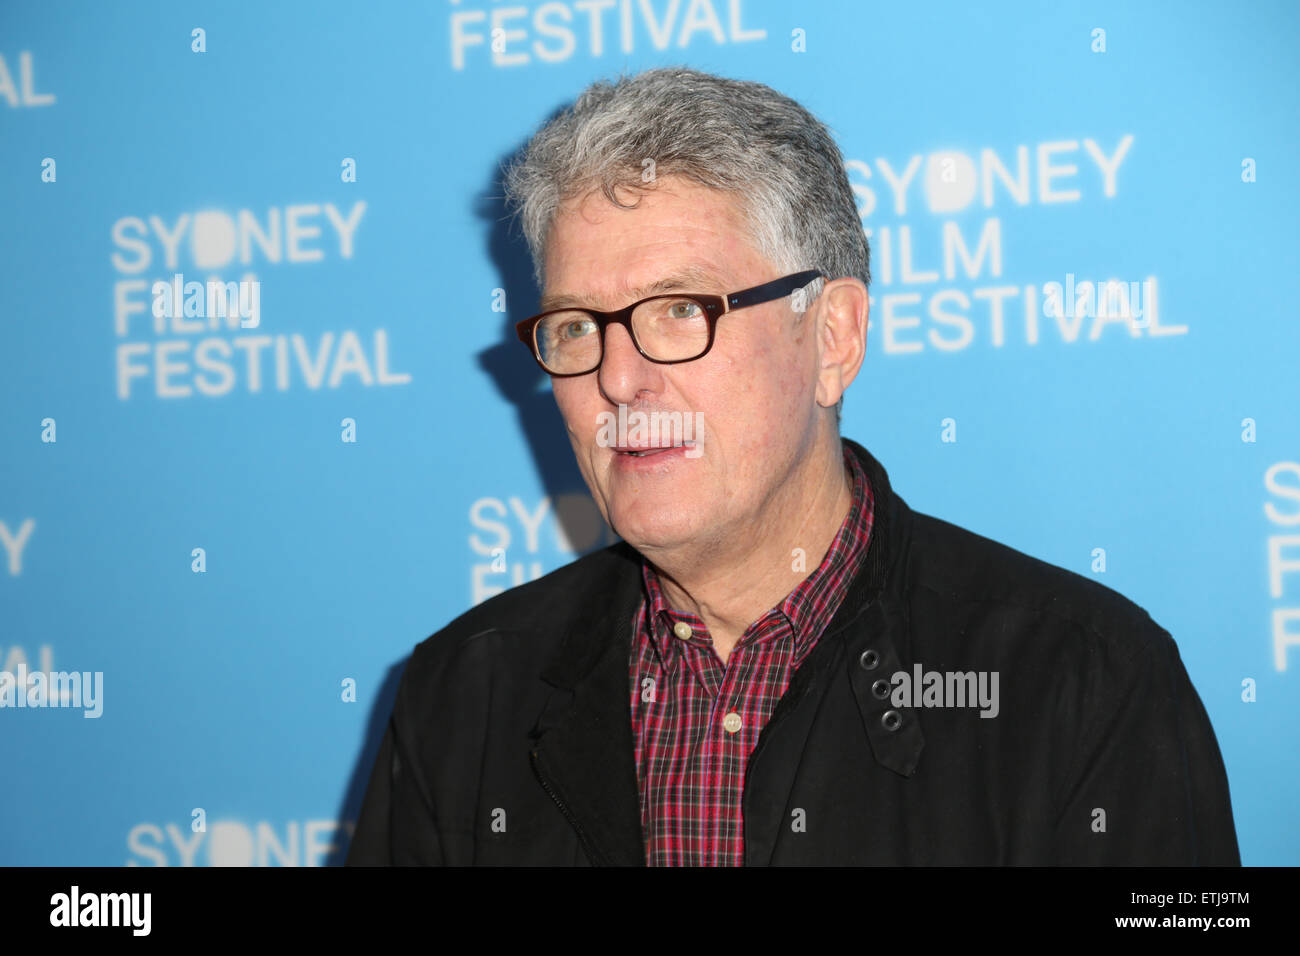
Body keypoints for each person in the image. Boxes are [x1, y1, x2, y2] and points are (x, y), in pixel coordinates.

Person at [346, 66, 1239, 866]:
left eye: (679, 311)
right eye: (577, 326)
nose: (617, 378)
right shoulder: (465, 697)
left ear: (834, 337)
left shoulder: (1083, 683)